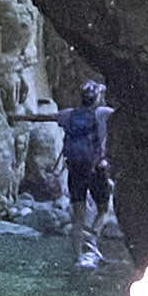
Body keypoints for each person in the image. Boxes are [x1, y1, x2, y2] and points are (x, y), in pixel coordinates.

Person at [57, 75, 118, 249]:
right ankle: (92, 239)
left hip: (74, 169)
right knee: (103, 209)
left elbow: (53, 117)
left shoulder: (67, 114)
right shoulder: (103, 113)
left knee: (78, 218)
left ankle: (77, 257)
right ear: (97, 98)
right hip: (95, 168)